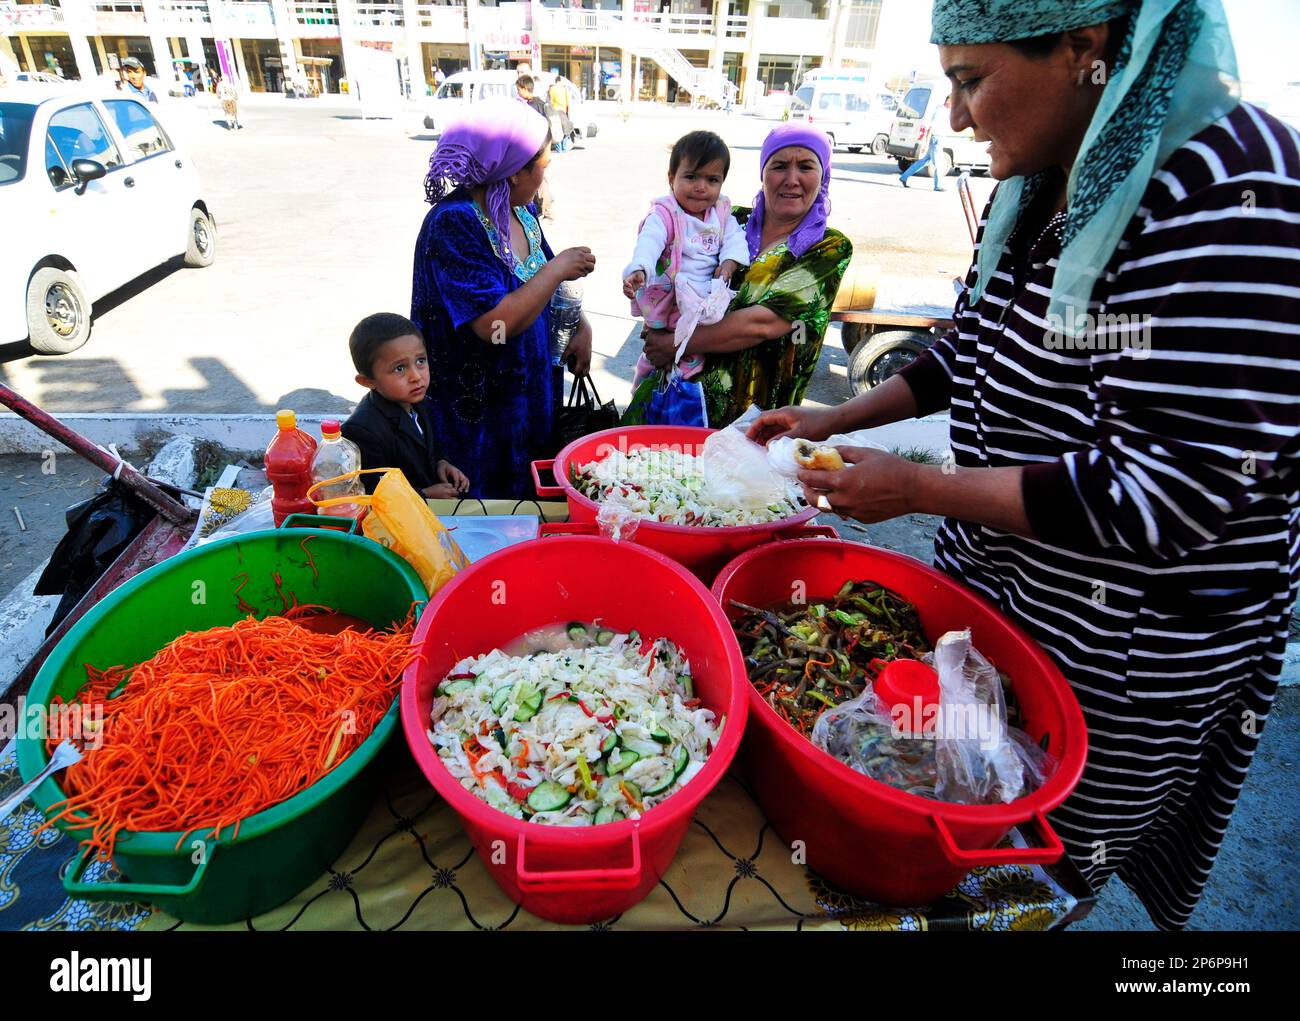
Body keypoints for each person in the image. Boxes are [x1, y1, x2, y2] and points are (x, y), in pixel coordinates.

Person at [749, 0, 1300, 931]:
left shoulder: (1226, 186)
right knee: (945, 801)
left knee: (1032, 862)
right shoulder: (1040, 172)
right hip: (997, 588)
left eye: (971, 80)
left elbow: (1162, 493)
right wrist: (842, 413)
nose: (955, 116)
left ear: (1084, 49)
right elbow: (973, 345)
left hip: (1120, 645)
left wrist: (920, 488)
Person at [411, 100, 596, 499]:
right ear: (514, 173)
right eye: (543, 164)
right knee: (487, 512)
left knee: (530, 502)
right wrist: (558, 267)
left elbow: (542, 284)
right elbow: (493, 327)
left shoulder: (520, 211)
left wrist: (579, 325)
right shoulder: (455, 222)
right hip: (480, 412)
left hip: (529, 396)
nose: (546, 175)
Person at [627, 122, 852, 428]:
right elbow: (669, 261)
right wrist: (653, 317)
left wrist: (673, 343)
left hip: (754, 420)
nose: (792, 179)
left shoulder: (827, 248)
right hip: (681, 403)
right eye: (779, 166)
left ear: (823, 175)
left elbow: (762, 323)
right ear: (763, 172)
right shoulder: (730, 220)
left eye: (806, 167)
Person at [622, 130, 750, 389]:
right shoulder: (667, 213)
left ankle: (682, 374)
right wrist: (640, 268)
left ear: (722, 182)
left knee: (695, 339)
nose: (701, 187)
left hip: (703, 296)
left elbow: (735, 239)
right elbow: (650, 239)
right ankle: (644, 385)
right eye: (691, 177)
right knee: (659, 345)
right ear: (672, 179)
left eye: (712, 180)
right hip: (671, 297)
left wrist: (729, 263)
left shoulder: (721, 212)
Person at [341, 313, 472, 499]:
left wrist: (442, 462)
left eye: (420, 361)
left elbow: (429, 446)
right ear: (368, 381)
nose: (416, 376)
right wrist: (424, 494)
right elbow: (373, 491)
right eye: (399, 368)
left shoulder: (417, 400)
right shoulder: (362, 430)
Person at [515, 76, 554, 220]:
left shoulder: (527, 210)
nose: (518, 92)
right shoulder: (456, 217)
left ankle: (547, 210)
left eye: (519, 89)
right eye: (543, 167)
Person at [899, 95, 950, 191]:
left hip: (936, 139)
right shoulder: (940, 112)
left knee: (924, 161)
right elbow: (931, 127)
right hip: (936, 139)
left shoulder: (943, 111)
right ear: (948, 101)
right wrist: (926, 143)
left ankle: (904, 177)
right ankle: (937, 185)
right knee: (938, 164)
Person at [547, 76, 571, 152]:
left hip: (555, 111)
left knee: (557, 129)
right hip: (563, 111)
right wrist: (567, 111)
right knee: (564, 129)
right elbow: (567, 101)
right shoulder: (564, 89)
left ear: (556, 81)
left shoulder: (552, 89)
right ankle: (564, 148)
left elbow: (551, 101)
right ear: (560, 81)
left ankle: (559, 148)